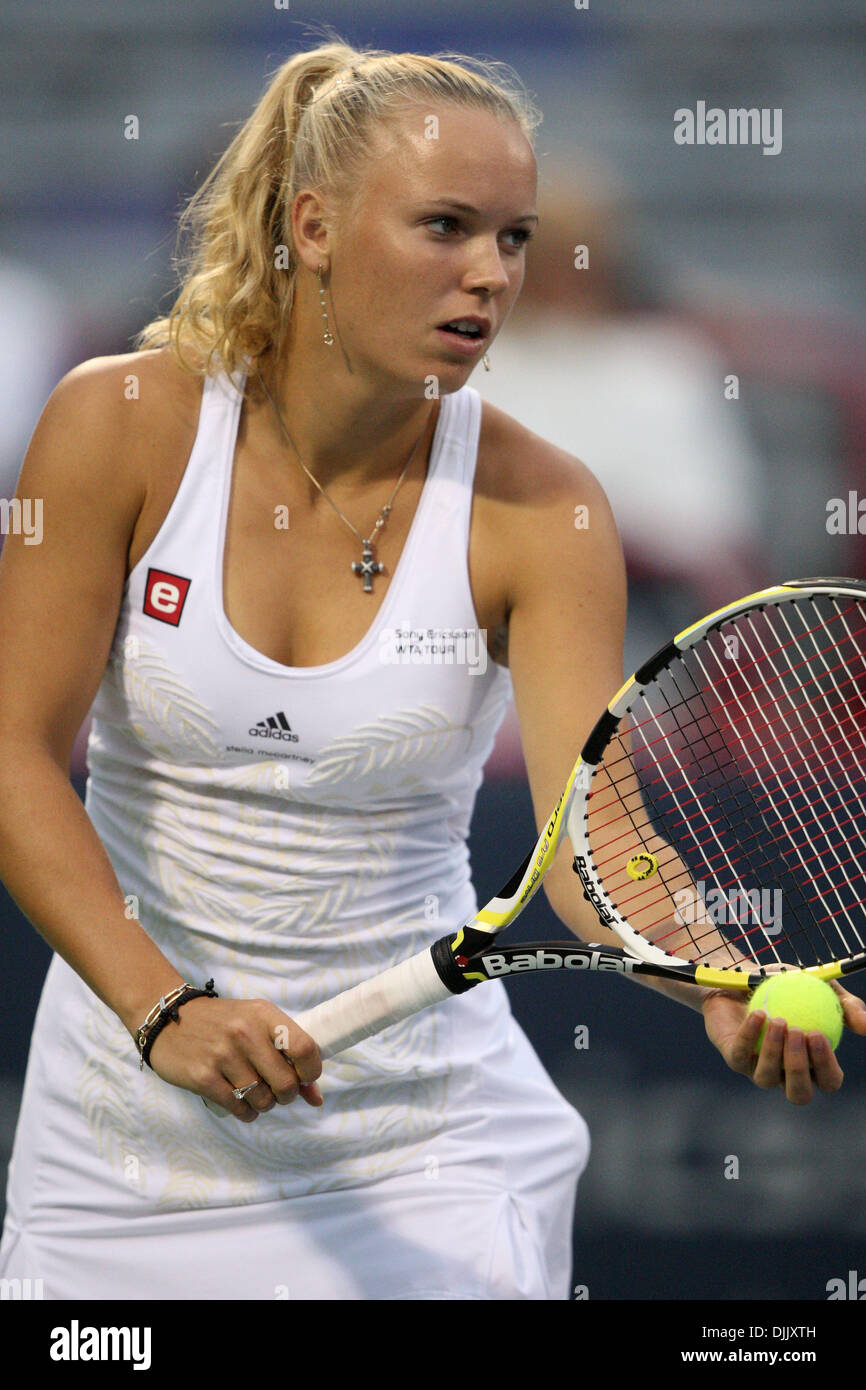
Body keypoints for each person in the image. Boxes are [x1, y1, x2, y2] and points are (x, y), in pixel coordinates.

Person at [0, 40, 861, 1304]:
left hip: (433, 1156)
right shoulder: (115, 424)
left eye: (511, 238)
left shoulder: (544, 506)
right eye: (445, 226)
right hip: (117, 1144)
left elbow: (589, 833)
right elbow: (16, 752)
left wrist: (705, 971)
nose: (489, 275)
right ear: (314, 225)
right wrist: (164, 1009)